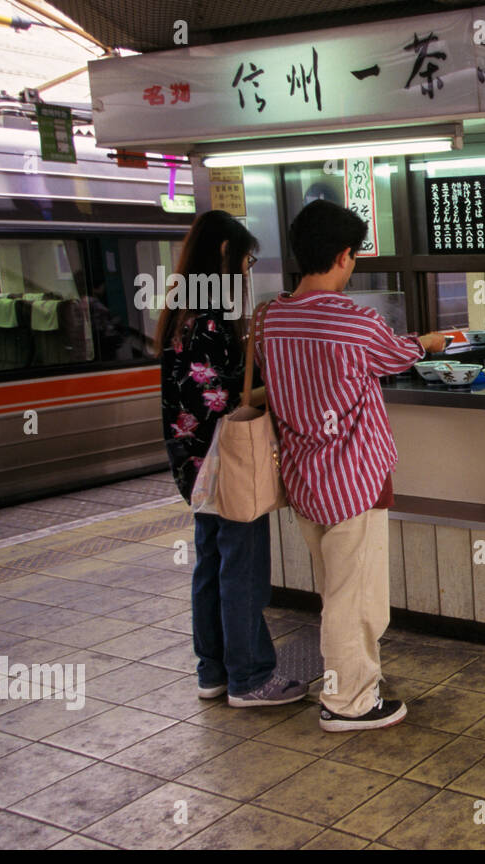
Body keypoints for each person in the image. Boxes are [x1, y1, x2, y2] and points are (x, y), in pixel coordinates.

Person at [258, 199, 448, 732]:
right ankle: (349, 703)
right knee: (355, 600)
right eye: (355, 254)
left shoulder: (271, 318)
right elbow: (397, 354)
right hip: (353, 479)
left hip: (303, 479)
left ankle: (351, 684)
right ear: (343, 255)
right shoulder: (355, 320)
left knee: (335, 591)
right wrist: (428, 343)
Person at [157, 210, 306, 708]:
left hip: (193, 466)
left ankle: (214, 671)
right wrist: (280, 387)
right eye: (245, 260)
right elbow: (222, 398)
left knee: (211, 564)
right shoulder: (212, 318)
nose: (246, 271)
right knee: (241, 566)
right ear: (224, 253)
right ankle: (251, 677)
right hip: (228, 462)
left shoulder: (180, 309)